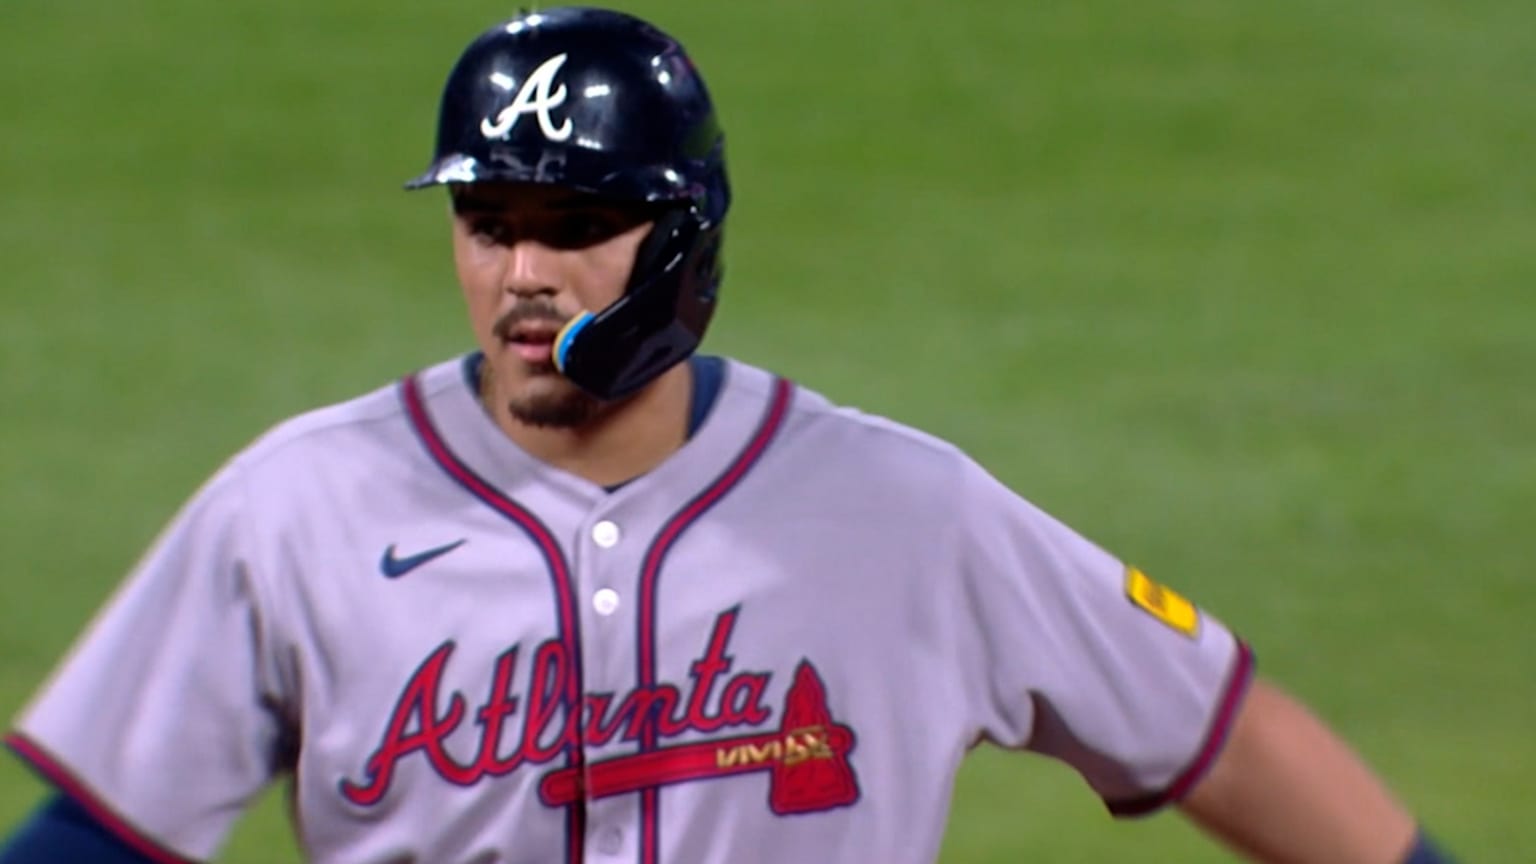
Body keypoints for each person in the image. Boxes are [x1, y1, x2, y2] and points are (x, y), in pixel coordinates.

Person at [1, 7, 1453, 864]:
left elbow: (1210, 723)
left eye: (578, 227)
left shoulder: (899, 511)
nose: (523, 274)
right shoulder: (300, 507)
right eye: (488, 222)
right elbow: (100, 830)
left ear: (683, 243)